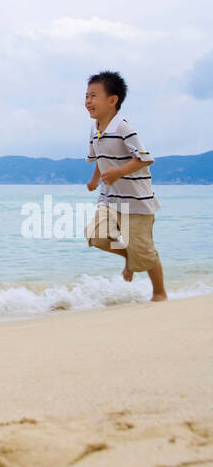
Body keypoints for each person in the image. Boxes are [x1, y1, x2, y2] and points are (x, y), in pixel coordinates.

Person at [84, 70, 166, 301]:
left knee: (145, 253)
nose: (88, 101)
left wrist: (119, 172)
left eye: (93, 96)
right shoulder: (95, 129)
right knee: (96, 236)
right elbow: (101, 158)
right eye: (86, 96)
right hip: (110, 198)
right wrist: (95, 178)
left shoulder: (123, 127)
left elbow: (144, 158)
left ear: (112, 100)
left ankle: (160, 293)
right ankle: (130, 256)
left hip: (137, 202)